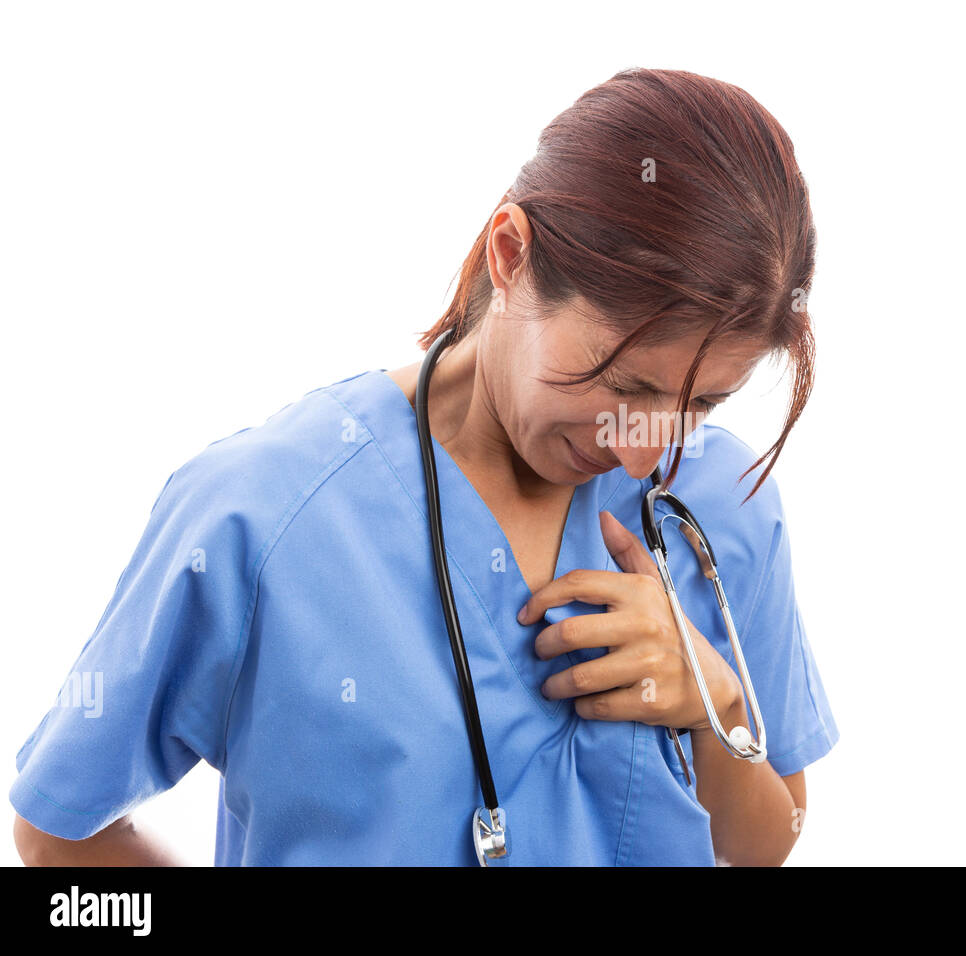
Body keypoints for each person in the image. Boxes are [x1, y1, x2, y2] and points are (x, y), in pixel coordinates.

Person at [10, 67, 838, 866]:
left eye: (700, 406)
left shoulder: (723, 507)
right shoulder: (261, 514)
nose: (643, 448)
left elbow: (767, 841)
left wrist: (715, 699)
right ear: (510, 254)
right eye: (624, 384)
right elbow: (59, 836)